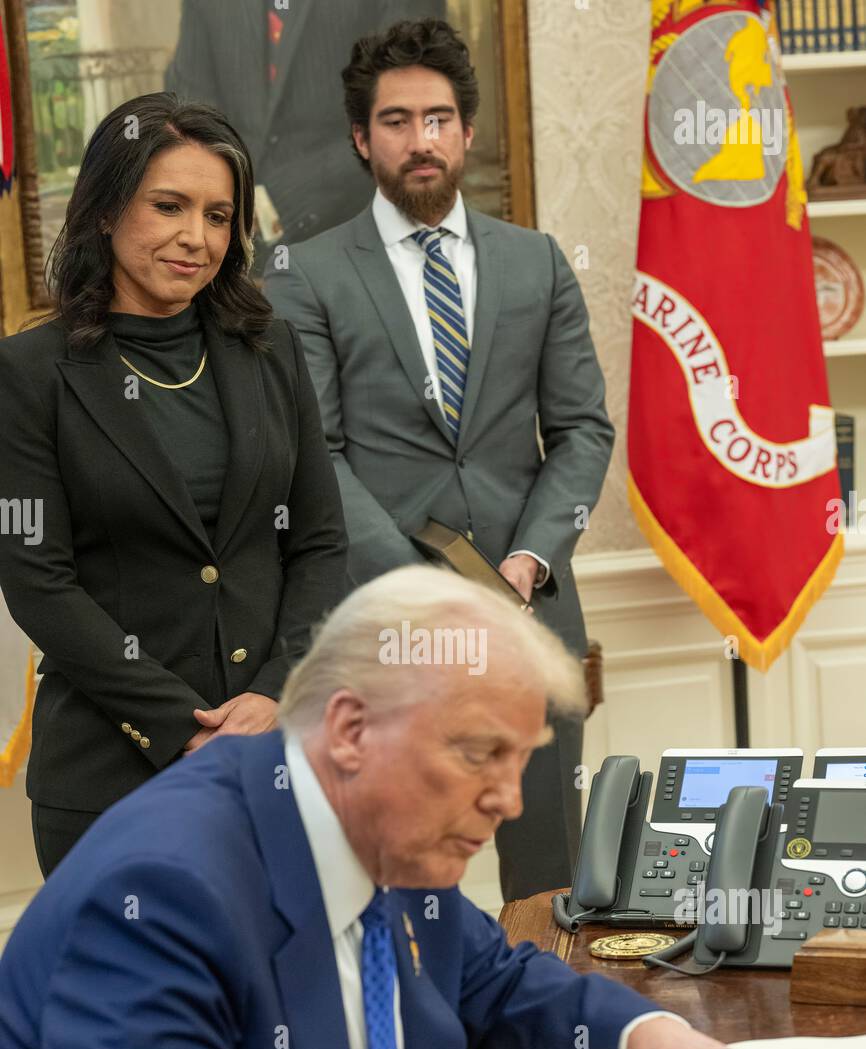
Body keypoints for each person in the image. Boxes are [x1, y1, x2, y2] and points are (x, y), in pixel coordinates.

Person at [0, 568, 780, 1049]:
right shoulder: (163, 887)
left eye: (521, 762)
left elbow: (492, 980)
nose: (510, 801)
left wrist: (648, 1037)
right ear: (349, 730)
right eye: (481, 755)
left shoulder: (382, 835)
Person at [264, 17, 613, 902]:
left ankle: (541, 1040)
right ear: (360, 137)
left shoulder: (536, 263)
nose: (419, 140)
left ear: (465, 131)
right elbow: (319, 456)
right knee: (399, 874)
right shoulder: (305, 275)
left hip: (531, 618)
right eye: (395, 121)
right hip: (388, 626)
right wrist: (430, 586)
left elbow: (582, 431)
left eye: (437, 117)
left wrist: (527, 562)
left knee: (546, 885)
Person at [0, 93, 347, 877]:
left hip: (275, 763)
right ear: (104, 209)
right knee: (131, 1001)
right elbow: (38, 582)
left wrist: (273, 692)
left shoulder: (271, 351)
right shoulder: (28, 374)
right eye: (170, 206)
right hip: (108, 783)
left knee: (275, 996)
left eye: (220, 216)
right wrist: (185, 726)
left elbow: (320, 542)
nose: (198, 237)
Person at [165, 0, 446, 263]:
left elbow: (408, 111)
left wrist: (279, 198)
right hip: (233, 244)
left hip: (362, 229)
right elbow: (190, 107)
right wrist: (229, 193)